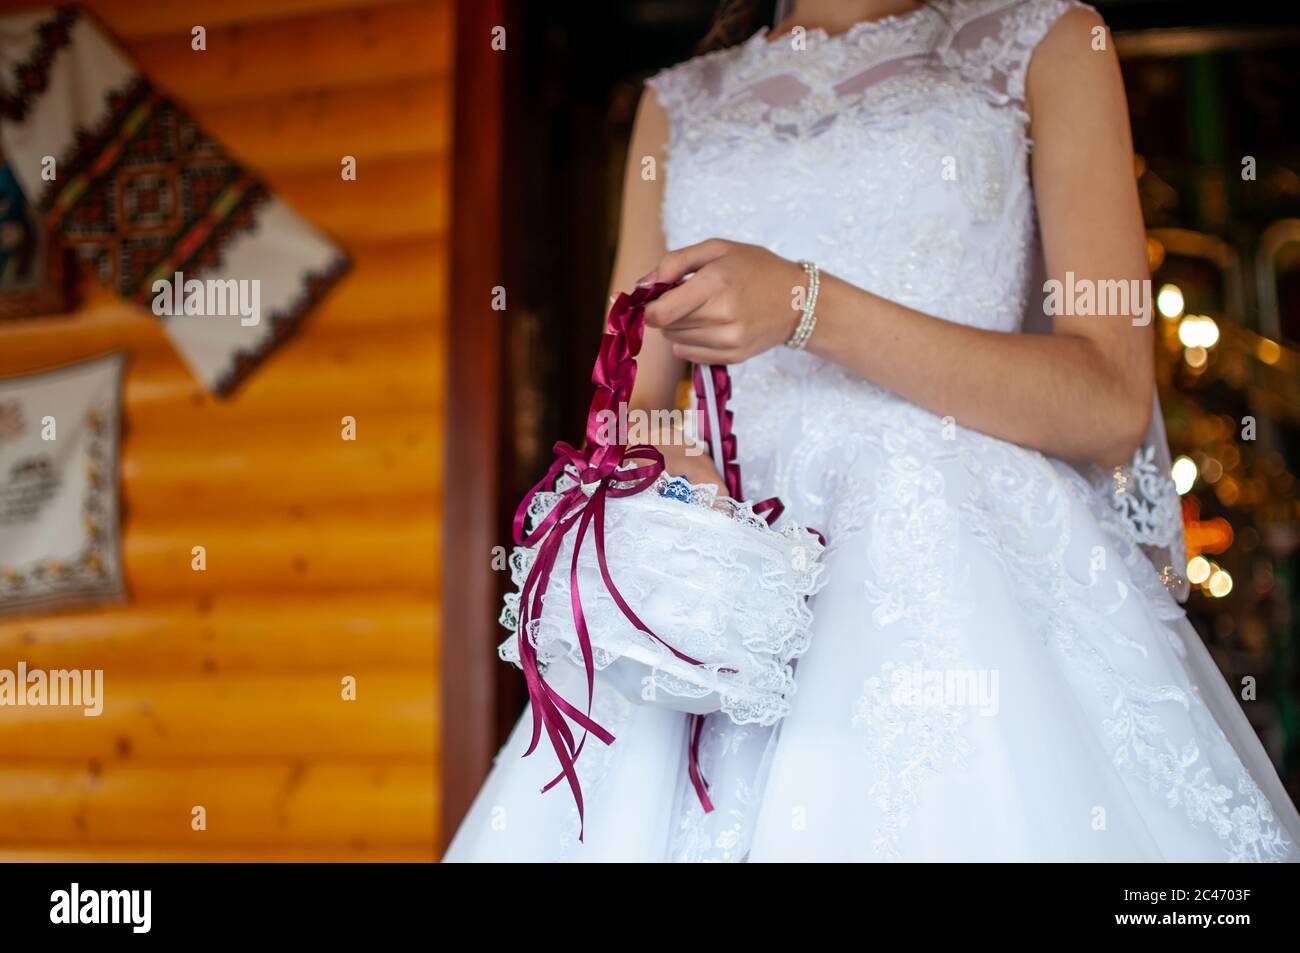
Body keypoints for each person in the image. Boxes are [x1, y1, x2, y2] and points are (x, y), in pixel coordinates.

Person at [446, 0, 1300, 862]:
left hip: (961, 583)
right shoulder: (678, 103)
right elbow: (633, 399)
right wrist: (671, 465)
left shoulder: (1045, 41)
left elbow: (1110, 404)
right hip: (731, 585)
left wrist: (809, 304)